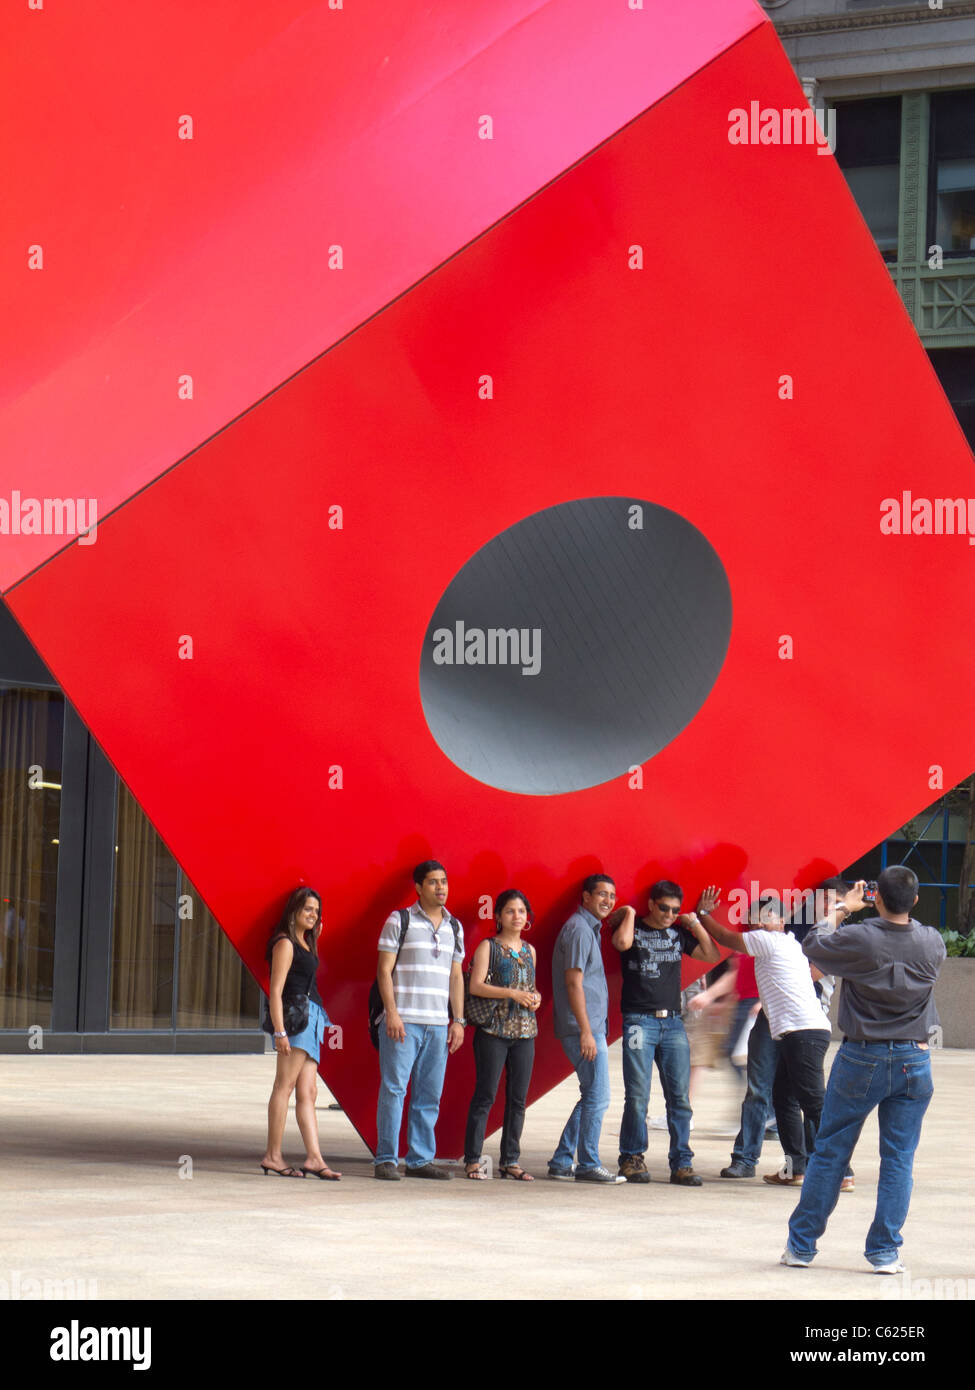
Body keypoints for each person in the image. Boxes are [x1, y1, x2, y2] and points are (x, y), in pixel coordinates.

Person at [782, 868, 946, 1273]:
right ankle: (885, 1252)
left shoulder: (861, 937)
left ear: (874, 898)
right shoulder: (932, 941)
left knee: (831, 1151)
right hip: (914, 1058)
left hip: (863, 1056)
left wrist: (841, 908)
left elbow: (813, 944)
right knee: (899, 1159)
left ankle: (802, 1247)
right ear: (916, 901)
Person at [700, 892, 831, 1186]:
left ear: (782, 921)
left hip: (801, 1029)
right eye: (755, 916)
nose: (760, 920)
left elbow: (725, 936)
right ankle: (793, 1168)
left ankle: (839, 1169)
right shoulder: (781, 944)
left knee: (812, 1103)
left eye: (768, 916)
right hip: (778, 1023)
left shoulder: (769, 940)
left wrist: (703, 915)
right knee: (781, 1098)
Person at [609, 881, 720, 1185]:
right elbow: (620, 944)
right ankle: (631, 1158)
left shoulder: (678, 934)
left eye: (675, 909)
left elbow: (712, 955)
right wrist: (630, 912)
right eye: (664, 908)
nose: (670, 914)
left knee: (680, 1098)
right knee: (637, 1095)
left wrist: (694, 922)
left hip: (672, 1023)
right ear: (651, 904)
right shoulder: (633, 928)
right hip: (638, 1021)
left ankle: (682, 1163)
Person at [374, 860, 465, 1179]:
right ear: (418, 887)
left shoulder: (455, 926)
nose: (441, 887)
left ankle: (419, 1160)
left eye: (444, 881)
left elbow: (456, 976)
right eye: (433, 882)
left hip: (439, 1025)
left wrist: (459, 1020)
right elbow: (384, 970)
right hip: (404, 1022)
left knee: (429, 1094)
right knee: (395, 1089)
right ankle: (386, 1158)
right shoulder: (399, 921)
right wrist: (393, 1012)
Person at [260, 886, 341, 1179]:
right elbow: (276, 991)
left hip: (312, 1019)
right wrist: (280, 1031)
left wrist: (313, 938)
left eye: (316, 911)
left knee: (308, 1091)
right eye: (307, 909)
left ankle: (315, 1158)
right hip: (296, 1020)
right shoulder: (284, 944)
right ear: (294, 909)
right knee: (284, 1085)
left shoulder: (304, 943)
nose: (313, 914)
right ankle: (273, 1155)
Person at [548, 874, 625, 1183]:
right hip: (585, 1028)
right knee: (598, 1096)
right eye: (602, 894)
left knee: (592, 1094)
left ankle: (562, 1160)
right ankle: (588, 1163)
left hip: (590, 1027)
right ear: (586, 897)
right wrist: (586, 1031)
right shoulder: (580, 930)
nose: (608, 900)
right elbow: (572, 982)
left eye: (612, 895)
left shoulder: (588, 929)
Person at [463, 889, 542, 1180]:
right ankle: (473, 1159)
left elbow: (530, 987)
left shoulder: (530, 950)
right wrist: (511, 993)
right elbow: (475, 986)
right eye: (510, 911)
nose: (517, 917)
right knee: (485, 1095)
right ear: (498, 916)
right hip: (493, 1030)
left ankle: (510, 1160)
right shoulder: (489, 947)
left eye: (521, 911)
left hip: (525, 1031)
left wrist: (535, 998)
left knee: (518, 1099)